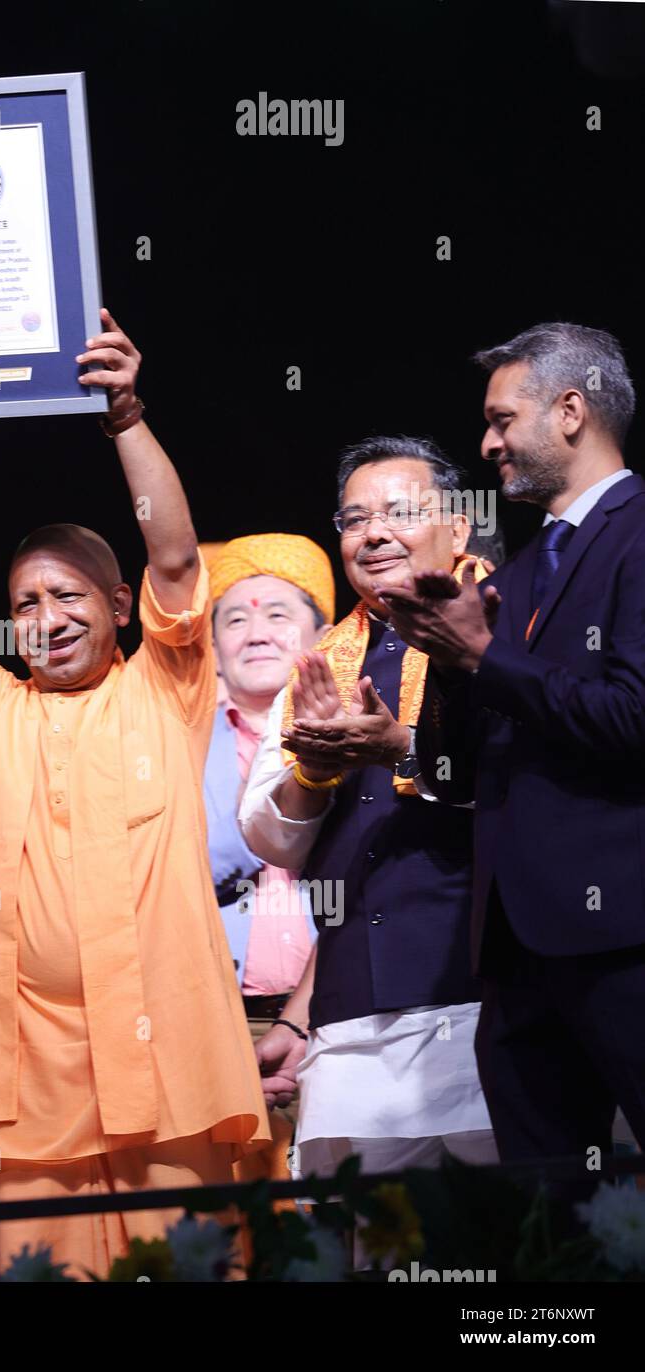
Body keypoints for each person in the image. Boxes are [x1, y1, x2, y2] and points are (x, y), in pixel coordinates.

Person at [0, 310, 270, 1279]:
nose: (46, 616)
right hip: (25, 1075)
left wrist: (125, 417)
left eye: (70, 593)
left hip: (168, 1057)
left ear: (121, 607)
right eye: (27, 602)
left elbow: (173, 556)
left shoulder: (164, 690)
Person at [383, 324, 645, 1203]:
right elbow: (456, 775)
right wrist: (448, 660)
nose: (488, 443)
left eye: (503, 419)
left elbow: (630, 717)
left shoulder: (639, 533)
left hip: (624, 943)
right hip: (517, 958)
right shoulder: (519, 569)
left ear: (571, 412)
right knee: (546, 1227)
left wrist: (482, 658)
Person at [241, 437, 497, 1182]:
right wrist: (313, 773)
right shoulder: (324, 658)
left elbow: (538, 780)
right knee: (360, 1248)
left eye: (400, 512)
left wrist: (402, 750)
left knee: (516, 1247)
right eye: (354, 519)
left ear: (458, 528)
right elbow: (273, 839)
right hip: (352, 1022)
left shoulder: (510, 627)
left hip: (483, 1003)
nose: (374, 533)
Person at [204, 535, 333, 1186]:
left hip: (338, 1011)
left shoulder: (364, 732)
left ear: (325, 634)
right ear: (212, 644)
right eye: (235, 616)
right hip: (212, 1019)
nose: (256, 631)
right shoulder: (171, 739)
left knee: (351, 1219)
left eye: (278, 614)